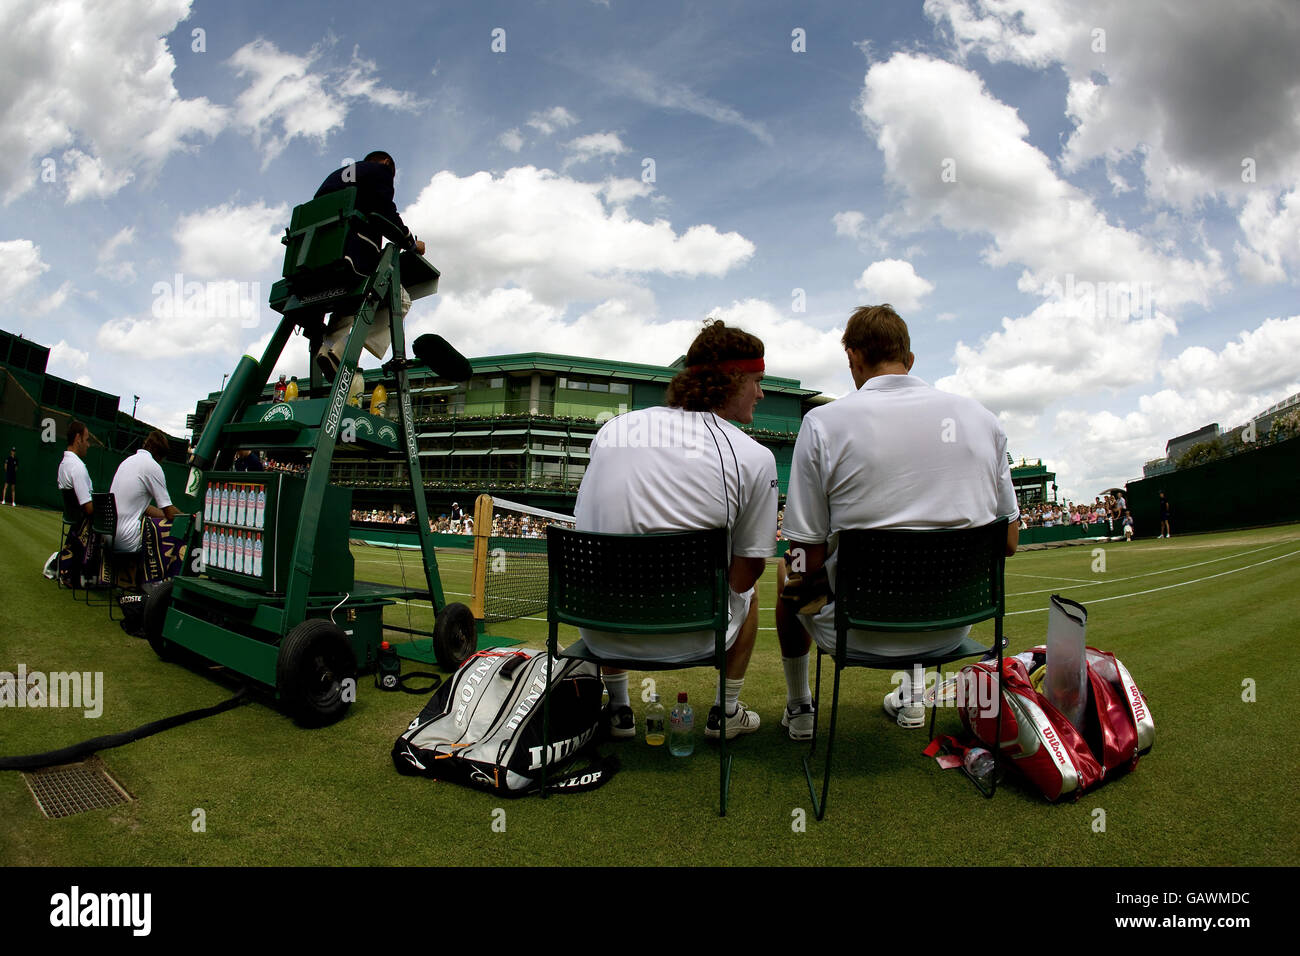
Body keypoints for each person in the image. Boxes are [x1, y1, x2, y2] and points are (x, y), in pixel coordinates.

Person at [775, 304, 1020, 737]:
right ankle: (910, 698)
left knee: (787, 572)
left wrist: (812, 581)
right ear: (909, 359)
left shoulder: (823, 423)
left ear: (853, 358)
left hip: (852, 631)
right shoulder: (985, 420)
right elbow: (1009, 541)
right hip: (948, 630)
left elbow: (803, 554)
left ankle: (800, 708)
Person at [574, 319, 777, 741]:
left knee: (615, 567)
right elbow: (748, 569)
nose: (761, 393)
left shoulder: (613, 428)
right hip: (696, 635)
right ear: (732, 378)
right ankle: (727, 711)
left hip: (598, 628)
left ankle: (619, 709)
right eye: (757, 381)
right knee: (751, 589)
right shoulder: (754, 457)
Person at [313, 150, 426, 379]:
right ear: (386, 163)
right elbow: (384, 212)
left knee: (348, 303)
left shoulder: (337, 176)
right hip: (352, 254)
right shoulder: (379, 170)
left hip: (313, 261)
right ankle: (345, 348)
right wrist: (411, 243)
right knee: (401, 299)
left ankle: (328, 350)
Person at [109, 431, 181, 555]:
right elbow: (169, 513)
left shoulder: (127, 461)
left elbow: (146, 509)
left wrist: (164, 516)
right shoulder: (153, 466)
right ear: (160, 456)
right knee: (176, 532)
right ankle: (166, 574)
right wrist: (187, 518)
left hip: (107, 535)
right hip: (127, 538)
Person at [56, 421, 95, 583]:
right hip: (85, 525)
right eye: (86, 439)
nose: (88, 444)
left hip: (75, 523)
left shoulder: (65, 464)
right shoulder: (77, 467)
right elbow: (88, 508)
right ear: (78, 438)